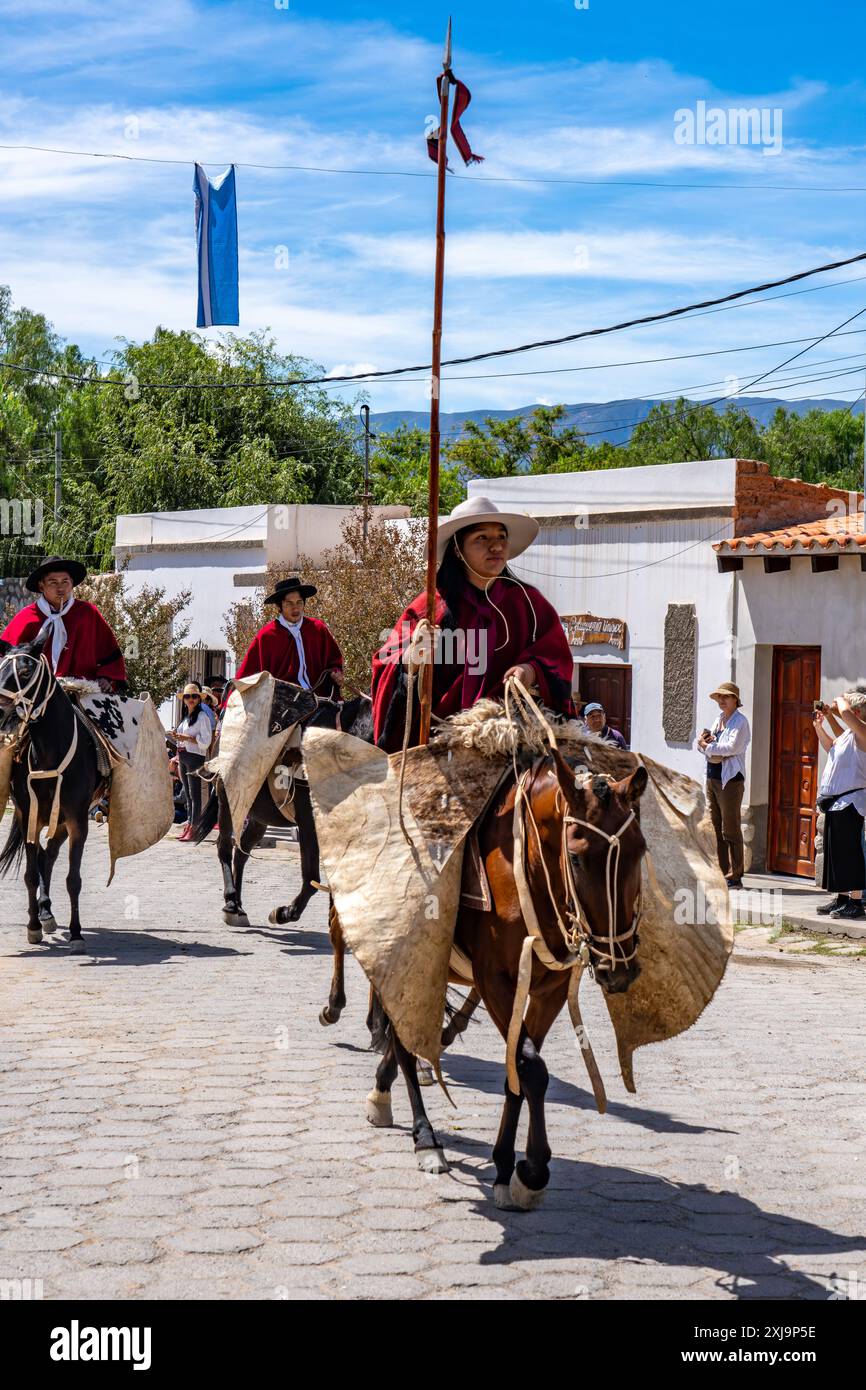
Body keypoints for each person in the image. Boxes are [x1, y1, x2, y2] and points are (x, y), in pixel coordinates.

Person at [372, 496, 576, 752]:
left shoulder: (529, 603)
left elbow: (556, 656)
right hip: (444, 740)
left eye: (501, 537)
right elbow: (384, 662)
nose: (496, 547)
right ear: (458, 549)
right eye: (482, 538)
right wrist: (411, 662)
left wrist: (531, 670)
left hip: (517, 734)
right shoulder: (430, 607)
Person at [0, 555, 127, 693]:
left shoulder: (87, 613)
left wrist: (106, 677)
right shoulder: (26, 618)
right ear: (41, 586)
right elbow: (6, 657)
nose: (60, 588)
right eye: (53, 582)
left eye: (65, 582)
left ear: (72, 583)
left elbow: (109, 650)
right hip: (35, 692)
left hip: (85, 690)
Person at [232, 577, 343, 698]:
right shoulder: (267, 636)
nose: (295, 608)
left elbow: (334, 660)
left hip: (320, 697)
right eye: (289, 603)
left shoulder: (317, 629)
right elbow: (248, 675)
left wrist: (336, 672)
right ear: (279, 607)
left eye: (299, 602)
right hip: (283, 703)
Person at [812, 692, 866, 921]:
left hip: (852, 802)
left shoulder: (863, 732)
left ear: (855, 713)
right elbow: (831, 747)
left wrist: (840, 700)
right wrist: (820, 725)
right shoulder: (849, 736)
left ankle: (855, 902)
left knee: (850, 853)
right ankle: (842, 898)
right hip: (837, 802)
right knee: (838, 855)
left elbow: (844, 712)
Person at [697, 681, 751, 889]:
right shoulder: (719, 719)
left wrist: (707, 746)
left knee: (730, 828)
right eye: (719, 697)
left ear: (735, 700)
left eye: (725, 697)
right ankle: (721, 872)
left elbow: (731, 747)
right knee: (716, 828)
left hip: (730, 781)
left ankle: (735, 874)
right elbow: (703, 746)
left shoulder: (740, 722)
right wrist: (706, 746)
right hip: (712, 778)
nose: (721, 700)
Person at [171, 684, 213, 842]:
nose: (190, 700)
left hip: (195, 757)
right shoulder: (186, 718)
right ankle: (190, 825)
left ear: (199, 699)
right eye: (187, 697)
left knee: (194, 795)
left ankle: (194, 828)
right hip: (184, 756)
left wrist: (186, 738)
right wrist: (177, 736)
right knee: (188, 794)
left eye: (194, 697)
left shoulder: (202, 717)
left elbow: (206, 742)